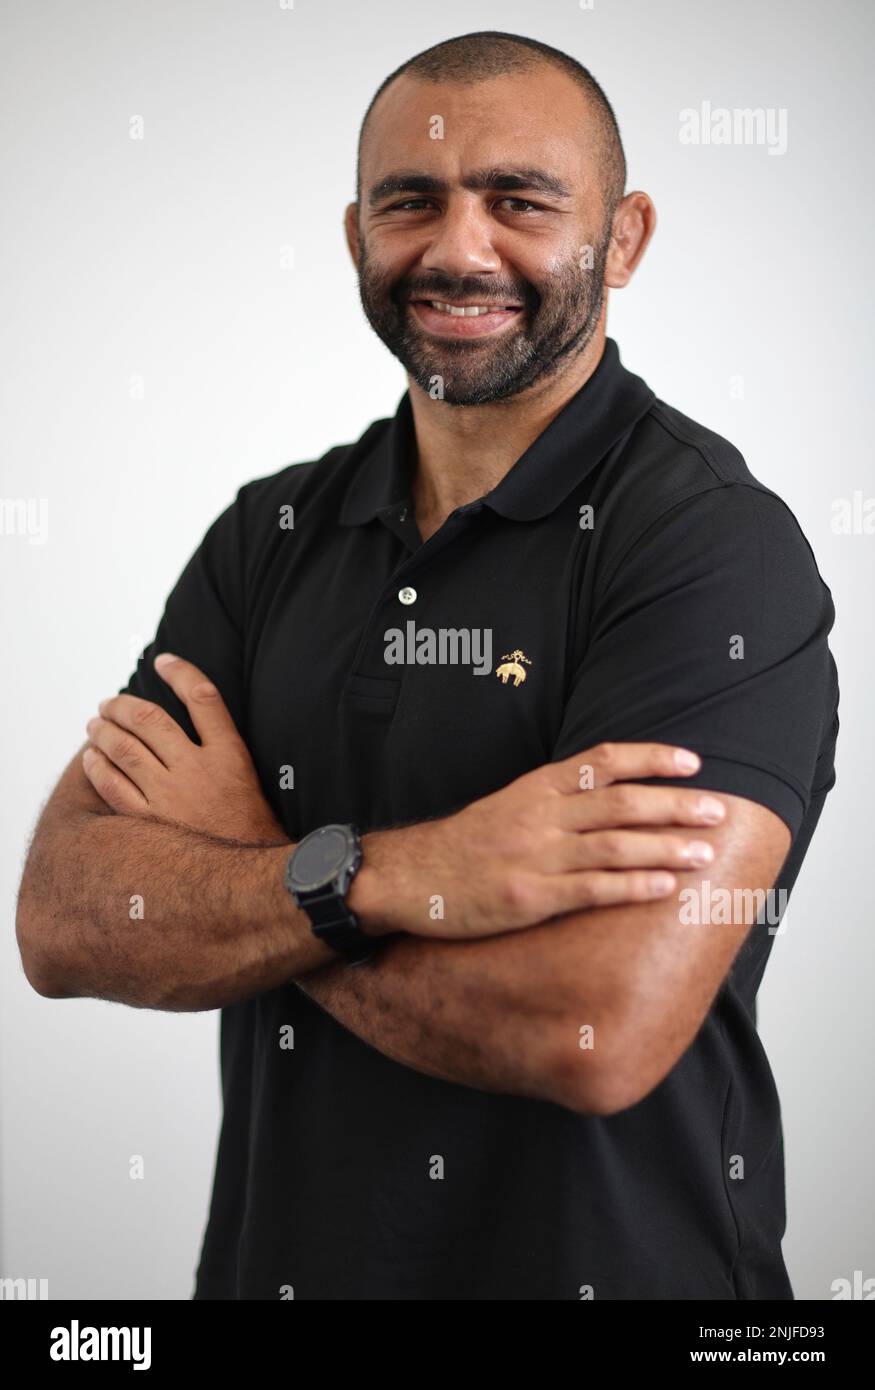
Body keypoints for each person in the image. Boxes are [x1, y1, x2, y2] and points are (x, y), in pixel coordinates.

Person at [17, 31, 838, 1300]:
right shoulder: (270, 534)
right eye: (413, 202)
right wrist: (400, 876)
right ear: (357, 235)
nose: (458, 250)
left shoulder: (710, 551)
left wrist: (264, 864)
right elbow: (65, 917)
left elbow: (597, 1028)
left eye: (518, 200)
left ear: (620, 240)